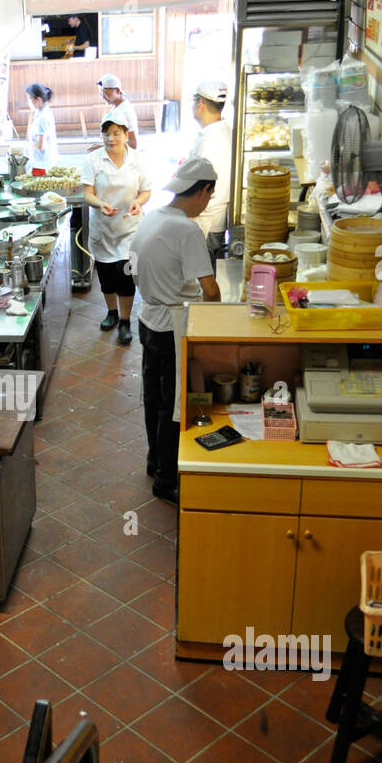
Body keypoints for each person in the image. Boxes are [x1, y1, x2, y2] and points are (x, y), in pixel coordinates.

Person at [129, 156, 220, 503]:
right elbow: (210, 289)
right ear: (203, 190)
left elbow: (136, 268)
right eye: (210, 195)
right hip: (171, 326)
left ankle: (155, 461)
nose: (208, 202)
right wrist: (213, 323)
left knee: (153, 397)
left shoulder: (153, 216)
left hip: (148, 318)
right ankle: (167, 480)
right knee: (173, 405)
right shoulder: (186, 229)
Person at [82, 107, 152, 345]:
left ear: (125, 134)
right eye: (106, 133)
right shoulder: (93, 159)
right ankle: (111, 313)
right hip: (103, 229)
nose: (111, 138)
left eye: (116, 133)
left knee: (126, 276)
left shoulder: (138, 159)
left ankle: (125, 321)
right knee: (106, 277)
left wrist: (138, 202)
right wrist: (100, 204)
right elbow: (87, 194)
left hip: (130, 229)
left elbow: (146, 191)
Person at [189, 81, 232, 256]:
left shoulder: (210, 140)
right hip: (214, 220)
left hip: (205, 223)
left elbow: (205, 186)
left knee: (200, 269)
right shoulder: (222, 129)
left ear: (200, 104)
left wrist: (188, 215)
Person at [97, 74, 139, 149]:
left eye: (106, 93)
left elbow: (133, 144)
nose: (103, 97)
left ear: (117, 90)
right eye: (101, 94)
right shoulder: (116, 107)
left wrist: (103, 148)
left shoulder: (125, 111)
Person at [24, 83, 59, 172]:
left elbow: (40, 145)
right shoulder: (41, 113)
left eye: (29, 99)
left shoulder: (42, 118)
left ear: (38, 100)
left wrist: (26, 146)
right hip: (42, 162)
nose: (28, 102)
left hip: (42, 165)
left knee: (39, 180)